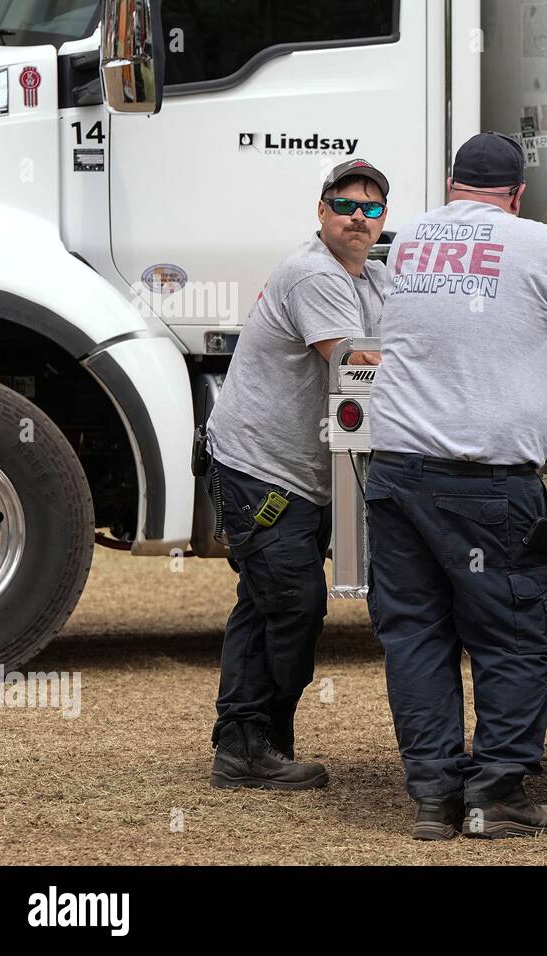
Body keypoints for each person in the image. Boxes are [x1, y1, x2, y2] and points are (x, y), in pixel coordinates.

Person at [365, 132, 547, 840]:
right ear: (516, 193)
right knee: (512, 635)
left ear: (454, 183)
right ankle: (497, 795)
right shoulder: (535, 243)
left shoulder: (411, 238)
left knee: (416, 635)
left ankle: (432, 798)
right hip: (483, 479)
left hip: (394, 471)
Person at [203, 159, 390, 789]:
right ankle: (251, 743)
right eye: (345, 205)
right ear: (321, 212)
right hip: (264, 468)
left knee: (265, 602)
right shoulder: (314, 273)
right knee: (293, 601)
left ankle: (250, 741)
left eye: (370, 208)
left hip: (303, 472)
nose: (357, 218)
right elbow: (354, 365)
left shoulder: (375, 279)